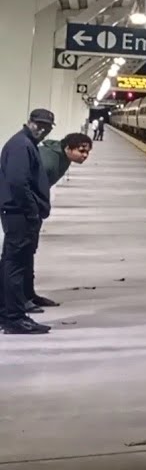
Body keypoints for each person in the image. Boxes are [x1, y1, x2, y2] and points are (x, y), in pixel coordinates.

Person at [18, 132, 94, 314]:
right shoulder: (49, 161)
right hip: (22, 211)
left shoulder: (63, 157)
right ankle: (17, 299)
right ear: (68, 148)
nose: (85, 155)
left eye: (88, 152)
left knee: (29, 252)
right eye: (81, 151)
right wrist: (33, 211)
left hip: (32, 210)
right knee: (19, 255)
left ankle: (28, 295)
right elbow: (26, 186)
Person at [0, 109, 55, 334]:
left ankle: (9, 312)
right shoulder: (22, 145)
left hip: (18, 213)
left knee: (14, 264)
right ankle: (14, 318)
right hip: (19, 214)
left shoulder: (24, 143)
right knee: (14, 265)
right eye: (38, 124)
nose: (42, 129)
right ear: (29, 122)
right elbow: (18, 182)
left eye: (47, 127)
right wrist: (32, 212)